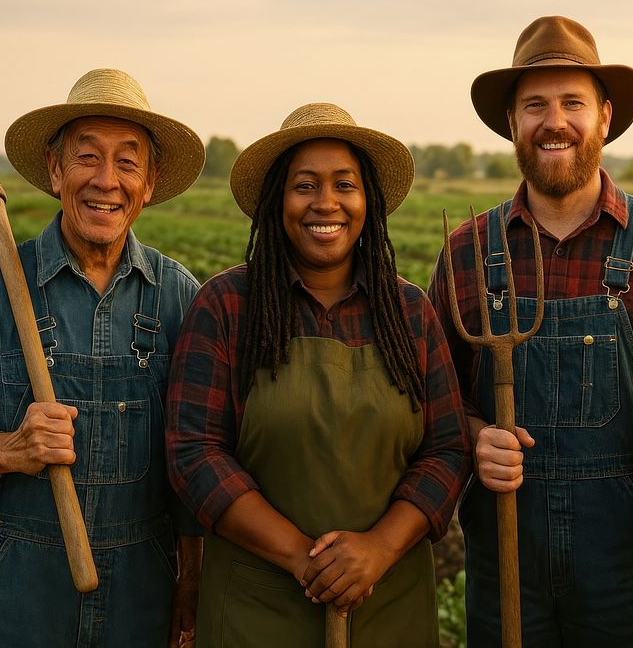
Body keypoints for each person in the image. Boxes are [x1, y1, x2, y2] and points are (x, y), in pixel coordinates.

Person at [429, 16, 633, 646]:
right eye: (535, 105)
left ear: (605, 117)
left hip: (631, 570)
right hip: (504, 559)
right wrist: (476, 437)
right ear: (512, 122)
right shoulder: (466, 254)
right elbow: (434, 405)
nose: (553, 121)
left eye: (572, 103)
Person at [165, 102, 470, 646]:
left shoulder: (408, 312)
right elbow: (194, 452)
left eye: (344, 185)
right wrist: (302, 559)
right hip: (255, 609)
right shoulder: (228, 305)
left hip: (389, 605)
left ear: (368, 202)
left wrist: (379, 548)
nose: (325, 203)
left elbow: (446, 449)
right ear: (277, 201)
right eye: (304, 186)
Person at [0, 68, 206, 647]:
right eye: (87, 156)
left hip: (143, 598)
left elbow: (195, 454)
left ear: (150, 183)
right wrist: (9, 448)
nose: (106, 180)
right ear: (54, 169)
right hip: (20, 596)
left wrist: (192, 579)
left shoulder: (179, 298)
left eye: (127, 162)